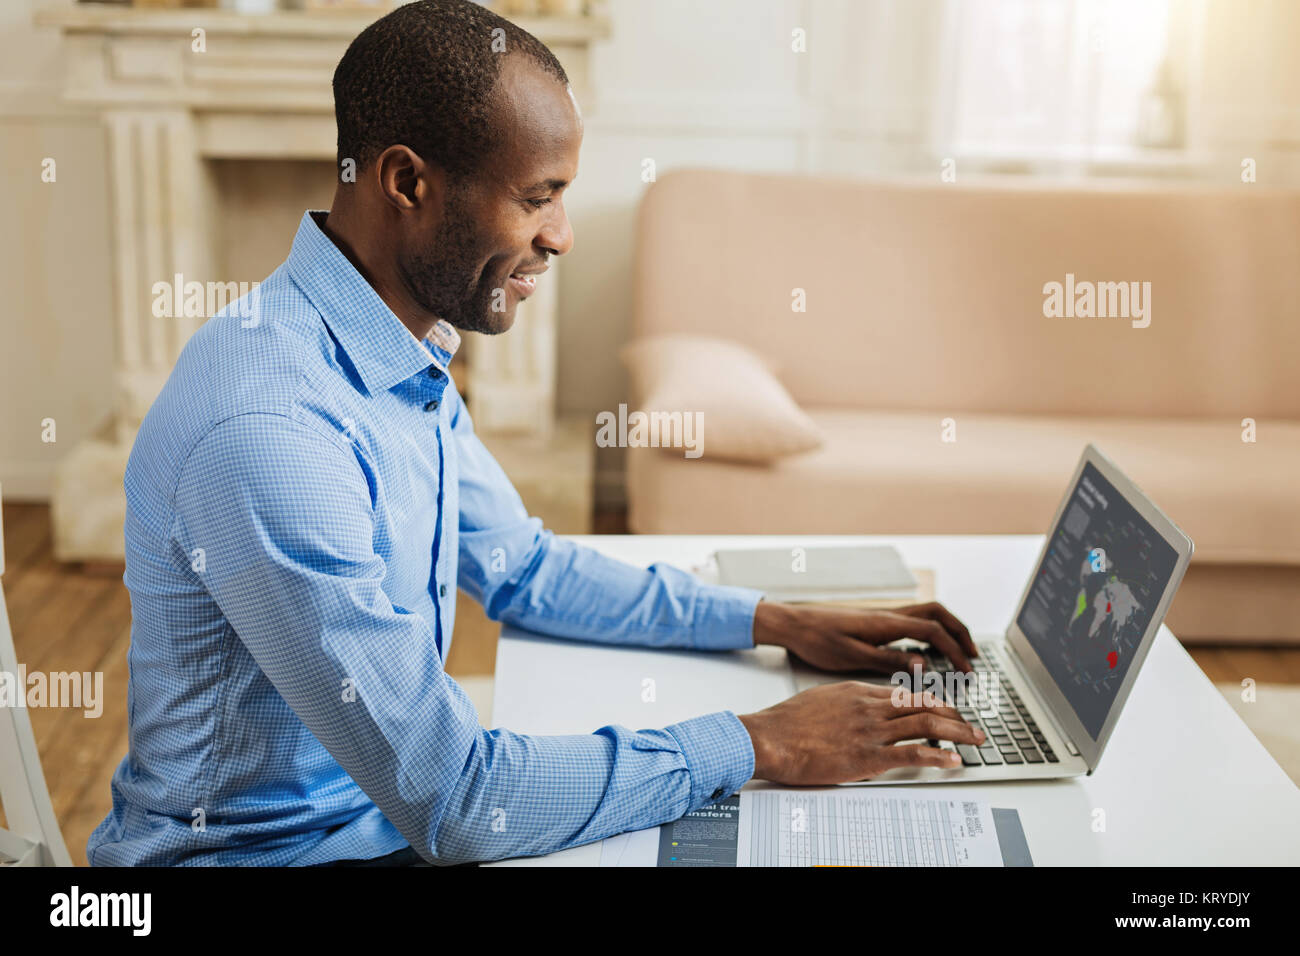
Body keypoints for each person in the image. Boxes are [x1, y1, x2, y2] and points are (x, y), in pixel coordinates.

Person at [88, 0, 983, 867]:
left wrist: (769, 619)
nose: (559, 237)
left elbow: (523, 567)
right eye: (537, 196)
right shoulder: (272, 431)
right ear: (407, 182)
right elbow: (460, 800)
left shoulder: (399, 345)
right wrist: (759, 745)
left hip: (383, 824)